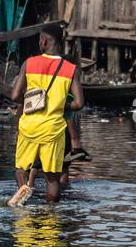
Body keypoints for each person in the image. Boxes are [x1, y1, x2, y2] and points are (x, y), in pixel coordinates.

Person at [8, 25, 84, 205]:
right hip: (54, 129)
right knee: (52, 177)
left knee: (21, 168)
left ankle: (22, 188)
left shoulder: (30, 63)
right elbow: (79, 103)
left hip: (29, 126)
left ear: (43, 41)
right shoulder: (70, 69)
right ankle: (51, 212)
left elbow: (15, 96)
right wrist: (60, 103)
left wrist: (32, 100)